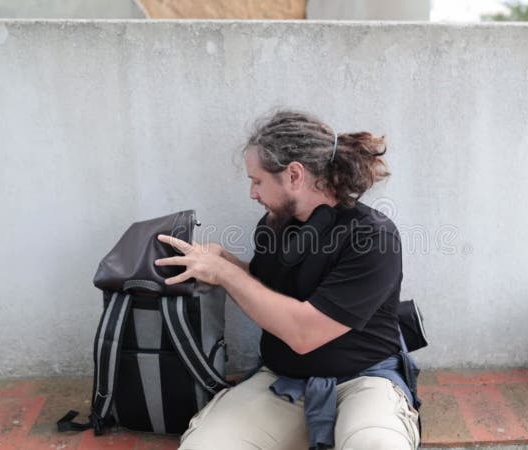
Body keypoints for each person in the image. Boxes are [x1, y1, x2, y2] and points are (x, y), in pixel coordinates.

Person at [154, 110, 420, 450]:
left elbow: (304, 333)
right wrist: (228, 264)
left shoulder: (372, 236)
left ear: (294, 174)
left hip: (364, 380)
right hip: (284, 380)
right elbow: (269, 293)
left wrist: (227, 274)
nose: (252, 193)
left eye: (258, 180)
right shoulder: (274, 225)